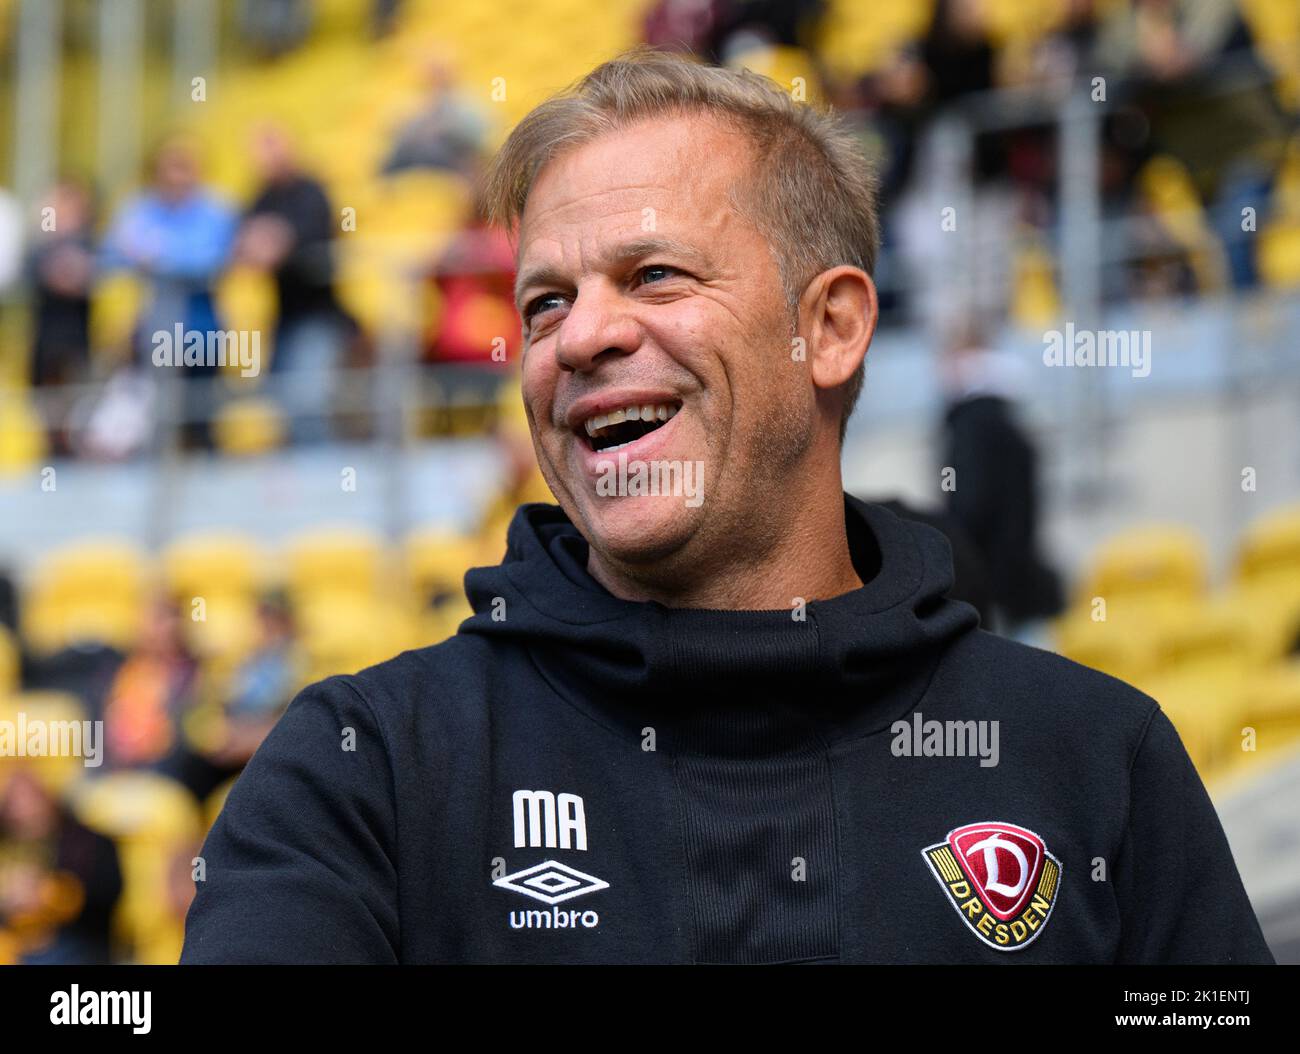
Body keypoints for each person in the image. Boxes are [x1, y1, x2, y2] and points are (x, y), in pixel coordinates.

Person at [181, 48, 1273, 965]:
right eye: (547, 301)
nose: (582, 336)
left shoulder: (1095, 760)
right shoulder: (362, 767)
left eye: (654, 274)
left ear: (832, 330)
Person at [238, 125, 353, 443]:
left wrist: (276, 240)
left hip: (319, 318)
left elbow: (308, 235)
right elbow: (243, 243)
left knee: (306, 403)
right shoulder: (261, 197)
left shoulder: (311, 191)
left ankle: (325, 479)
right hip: (284, 322)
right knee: (283, 406)